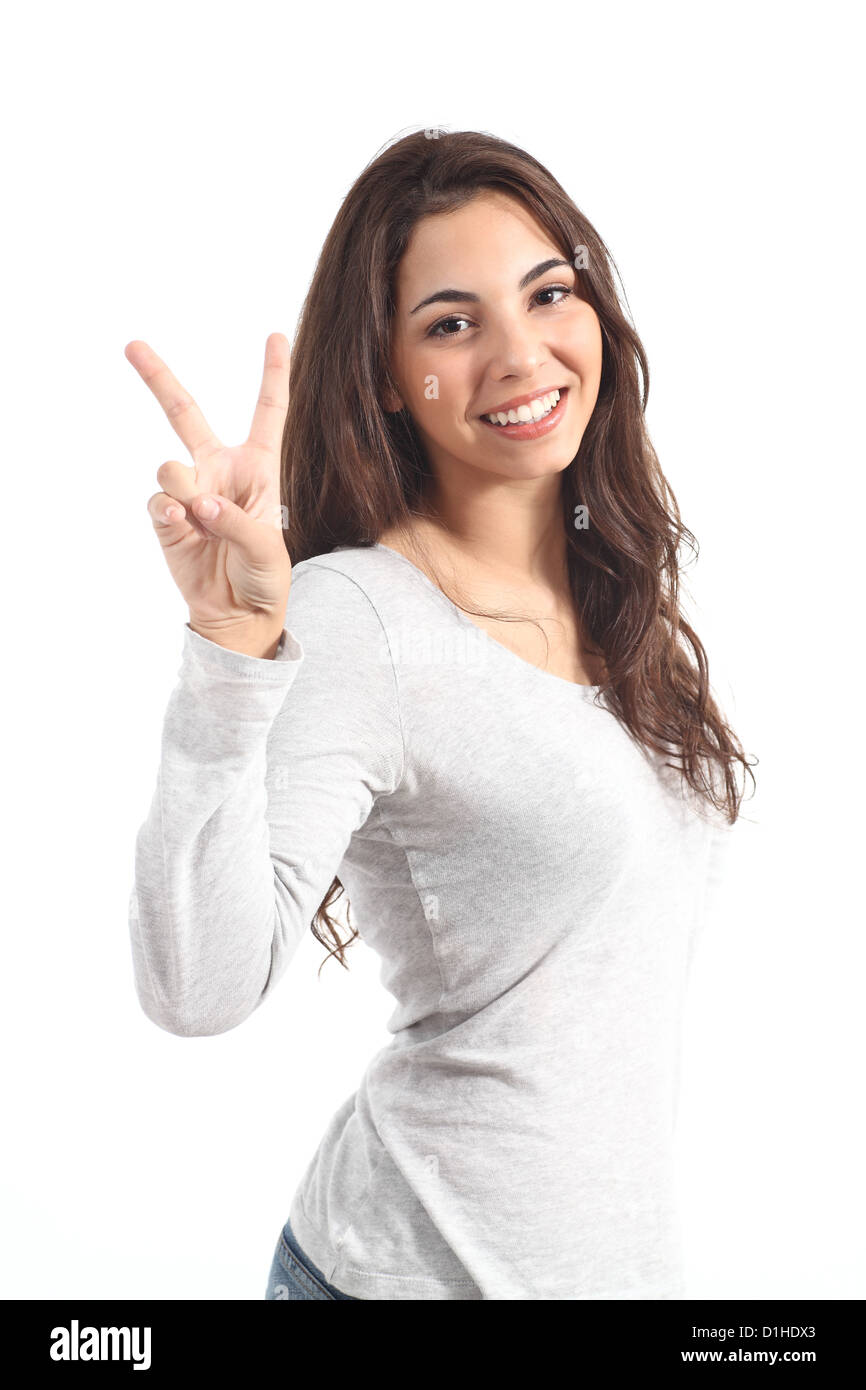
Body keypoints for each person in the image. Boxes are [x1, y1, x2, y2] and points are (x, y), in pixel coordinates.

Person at [125, 129, 755, 1301]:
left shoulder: (607, 585)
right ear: (382, 376)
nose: (522, 355)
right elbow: (197, 987)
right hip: (413, 1273)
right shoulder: (359, 614)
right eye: (452, 324)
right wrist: (228, 650)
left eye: (548, 294)